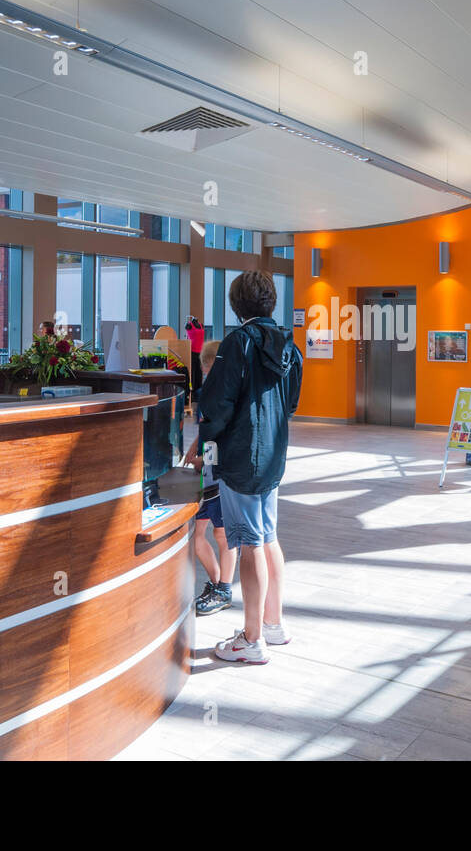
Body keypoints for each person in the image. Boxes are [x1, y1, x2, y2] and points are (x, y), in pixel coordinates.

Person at [199, 271, 303, 664]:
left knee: (250, 544)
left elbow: (217, 404)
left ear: (235, 304)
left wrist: (206, 441)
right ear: (271, 302)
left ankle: (252, 639)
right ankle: (274, 624)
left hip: (242, 456)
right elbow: (291, 402)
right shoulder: (289, 346)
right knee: (268, 535)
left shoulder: (237, 343)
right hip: (274, 454)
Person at [185, 339, 236, 615]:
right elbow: (208, 431)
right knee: (196, 533)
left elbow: (223, 439)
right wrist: (197, 445)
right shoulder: (210, 393)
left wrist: (203, 459)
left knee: (222, 534)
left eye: (205, 368)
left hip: (218, 476)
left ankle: (224, 587)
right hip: (208, 475)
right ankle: (217, 584)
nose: (205, 373)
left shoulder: (222, 394)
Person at [184, 316, 205, 406]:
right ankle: (191, 395)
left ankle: (198, 395)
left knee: (199, 374)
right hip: (192, 352)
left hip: (200, 352)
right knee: (192, 374)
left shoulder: (201, 325)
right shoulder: (189, 325)